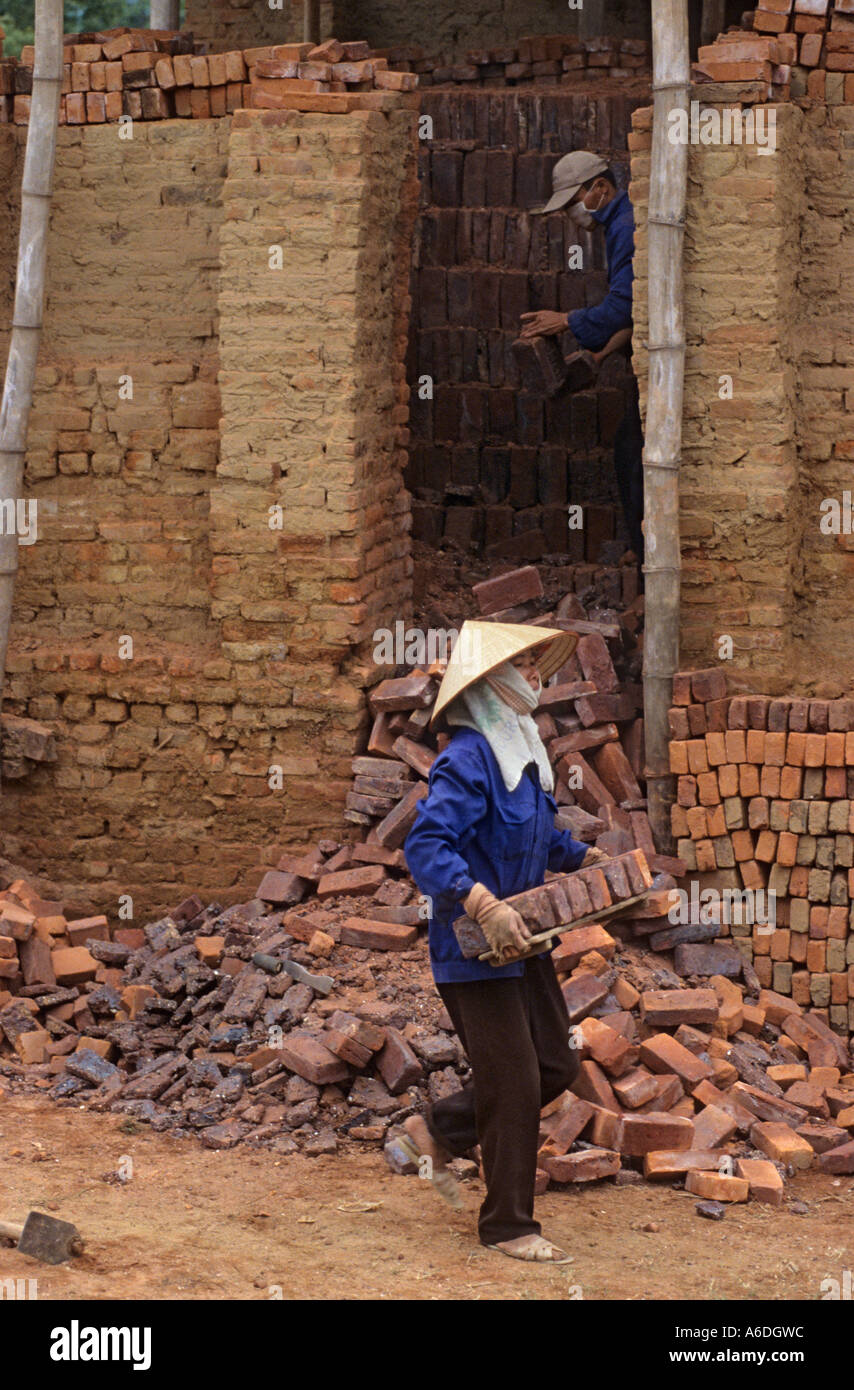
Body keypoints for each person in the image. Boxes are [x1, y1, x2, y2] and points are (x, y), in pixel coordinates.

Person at [398, 620, 608, 1264]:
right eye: (525, 666)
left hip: (525, 940)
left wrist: (591, 862)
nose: (537, 676)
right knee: (514, 1080)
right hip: (473, 947)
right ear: (491, 682)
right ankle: (507, 1226)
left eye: (539, 665)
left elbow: (542, 840)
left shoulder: (522, 747)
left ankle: (435, 1130)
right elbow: (424, 846)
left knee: (556, 1065)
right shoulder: (467, 757)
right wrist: (480, 900)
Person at [518, 150, 644, 568]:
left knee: (634, 450)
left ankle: (647, 556)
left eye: (575, 202)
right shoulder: (617, 225)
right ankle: (642, 550)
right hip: (637, 350)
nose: (572, 213)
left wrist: (565, 321)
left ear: (601, 189)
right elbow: (638, 307)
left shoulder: (625, 226)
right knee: (630, 448)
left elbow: (624, 308)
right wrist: (604, 349)